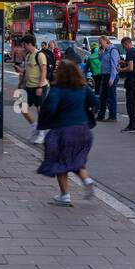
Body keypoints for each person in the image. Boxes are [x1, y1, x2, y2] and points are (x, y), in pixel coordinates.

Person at [37, 59, 99, 207]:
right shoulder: (83, 88)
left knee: (60, 162)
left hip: (64, 130)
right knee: (76, 159)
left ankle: (65, 195)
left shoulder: (58, 89)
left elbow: (50, 107)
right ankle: (87, 180)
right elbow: (95, 102)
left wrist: (46, 120)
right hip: (83, 131)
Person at [19, 33, 49, 144]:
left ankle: (41, 133)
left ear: (29, 44)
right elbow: (27, 71)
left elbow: (44, 71)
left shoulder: (39, 55)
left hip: (39, 86)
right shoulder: (27, 56)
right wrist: (20, 74)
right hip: (28, 87)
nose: (23, 47)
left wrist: (40, 86)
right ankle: (35, 127)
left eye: (24, 45)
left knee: (39, 110)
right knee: (22, 108)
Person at [97, 35, 121, 122]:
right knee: (103, 96)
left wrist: (112, 78)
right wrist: (100, 53)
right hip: (104, 75)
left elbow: (114, 65)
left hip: (110, 75)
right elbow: (101, 60)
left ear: (105, 41)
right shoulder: (105, 51)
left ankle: (112, 116)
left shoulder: (113, 50)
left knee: (111, 96)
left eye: (101, 42)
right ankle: (101, 115)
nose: (100, 44)